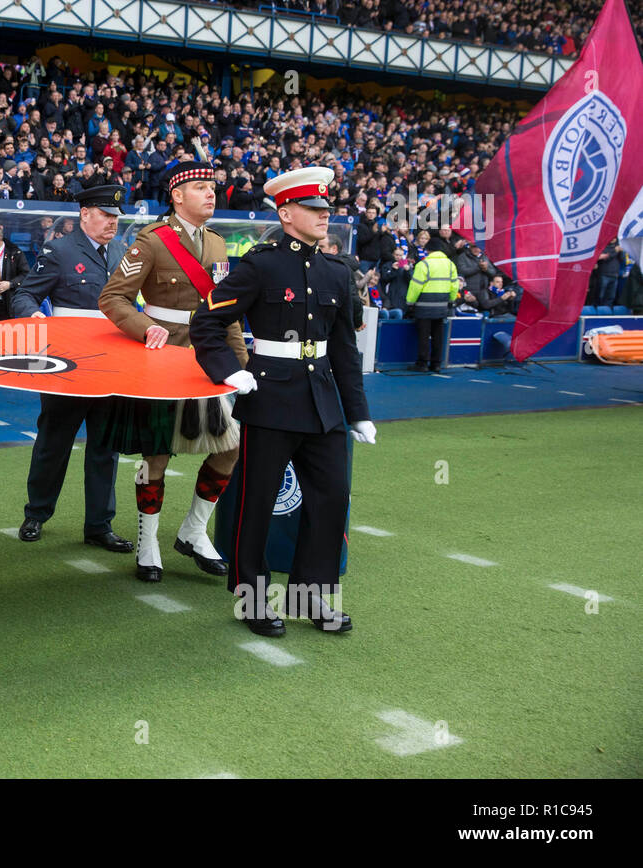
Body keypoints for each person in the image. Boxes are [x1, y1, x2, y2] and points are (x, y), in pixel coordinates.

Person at [189, 167, 375, 636]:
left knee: (330, 500)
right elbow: (206, 322)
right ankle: (252, 599)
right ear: (287, 213)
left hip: (324, 403)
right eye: (314, 209)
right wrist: (231, 372)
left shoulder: (336, 271)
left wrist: (358, 413)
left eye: (326, 209)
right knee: (257, 501)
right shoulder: (260, 264)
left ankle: (313, 598)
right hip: (271, 398)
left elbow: (345, 351)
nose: (323, 216)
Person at [98, 161, 247, 582]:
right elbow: (113, 299)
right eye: (201, 187)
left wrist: (244, 367)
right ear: (177, 196)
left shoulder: (218, 245)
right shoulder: (152, 241)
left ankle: (193, 531)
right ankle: (148, 543)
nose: (211, 193)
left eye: (212, 187)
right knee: (156, 454)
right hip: (163, 361)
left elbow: (225, 314)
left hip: (208, 362)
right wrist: (148, 329)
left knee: (230, 448)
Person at [9, 184, 132, 553]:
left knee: (105, 447)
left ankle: (99, 524)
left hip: (111, 365)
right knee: (54, 441)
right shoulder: (60, 250)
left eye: (115, 217)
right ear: (85, 214)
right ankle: (37, 513)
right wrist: (34, 317)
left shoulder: (124, 251)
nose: (112, 223)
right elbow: (25, 294)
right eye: (106, 215)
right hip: (68, 367)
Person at [406, 238, 459, 372]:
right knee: (438, 335)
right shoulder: (450, 264)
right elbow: (454, 285)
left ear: (428, 250)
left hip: (424, 305)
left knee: (423, 335)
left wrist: (410, 302)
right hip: (442, 304)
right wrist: (450, 300)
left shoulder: (424, 264)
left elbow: (415, 286)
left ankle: (422, 363)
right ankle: (436, 364)